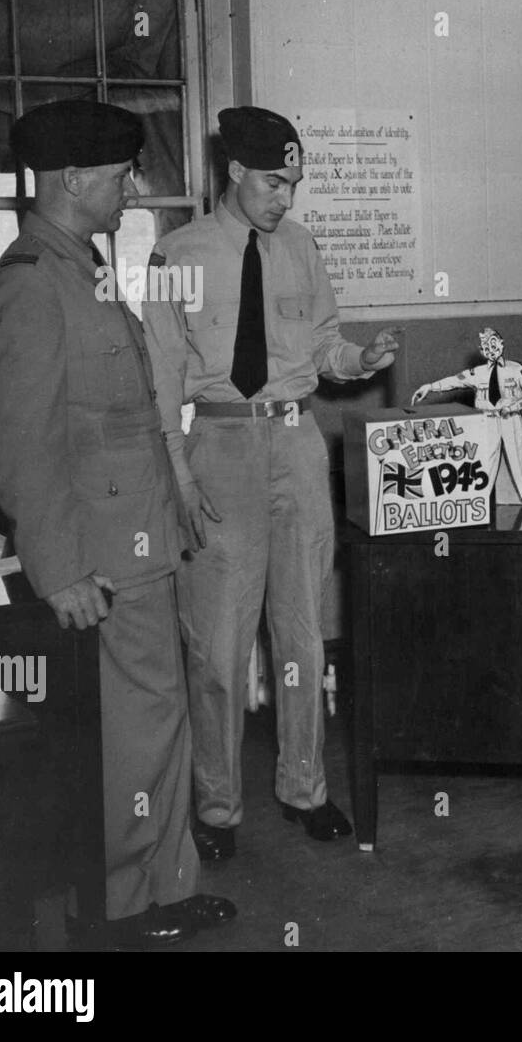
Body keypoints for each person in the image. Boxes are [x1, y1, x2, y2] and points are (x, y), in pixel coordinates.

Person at [0, 99, 234, 947]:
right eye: (122, 172)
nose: (132, 185)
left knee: (157, 723)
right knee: (134, 734)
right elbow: (21, 443)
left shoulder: (74, 263)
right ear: (75, 178)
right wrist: (59, 571)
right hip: (103, 561)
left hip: (142, 547)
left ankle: (157, 887)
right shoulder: (30, 281)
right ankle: (126, 906)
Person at [143, 106, 401, 861]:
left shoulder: (300, 248)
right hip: (217, 442)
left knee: (303, 632)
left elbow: (324, 344)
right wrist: (178, 472)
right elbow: (161, 376)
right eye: (271, 183)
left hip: (295, 440)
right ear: (234, 173)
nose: (284, 198)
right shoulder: (176, 254)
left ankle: (304, 788)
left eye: (292, 183)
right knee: (218, 644)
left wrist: (361, 360)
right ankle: (217, 809)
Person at [411, 327, 522, 502]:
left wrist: (514, 406)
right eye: (486, 348)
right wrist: (430, 387)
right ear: (482, 351)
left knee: (516, 453)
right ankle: (483, 497)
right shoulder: (478, 372)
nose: (491, 351)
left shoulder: (516, 369)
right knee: (487, 457)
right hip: (488, 419)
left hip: (511, 418)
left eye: (494, 345)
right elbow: (454, 381)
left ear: (502, 344)